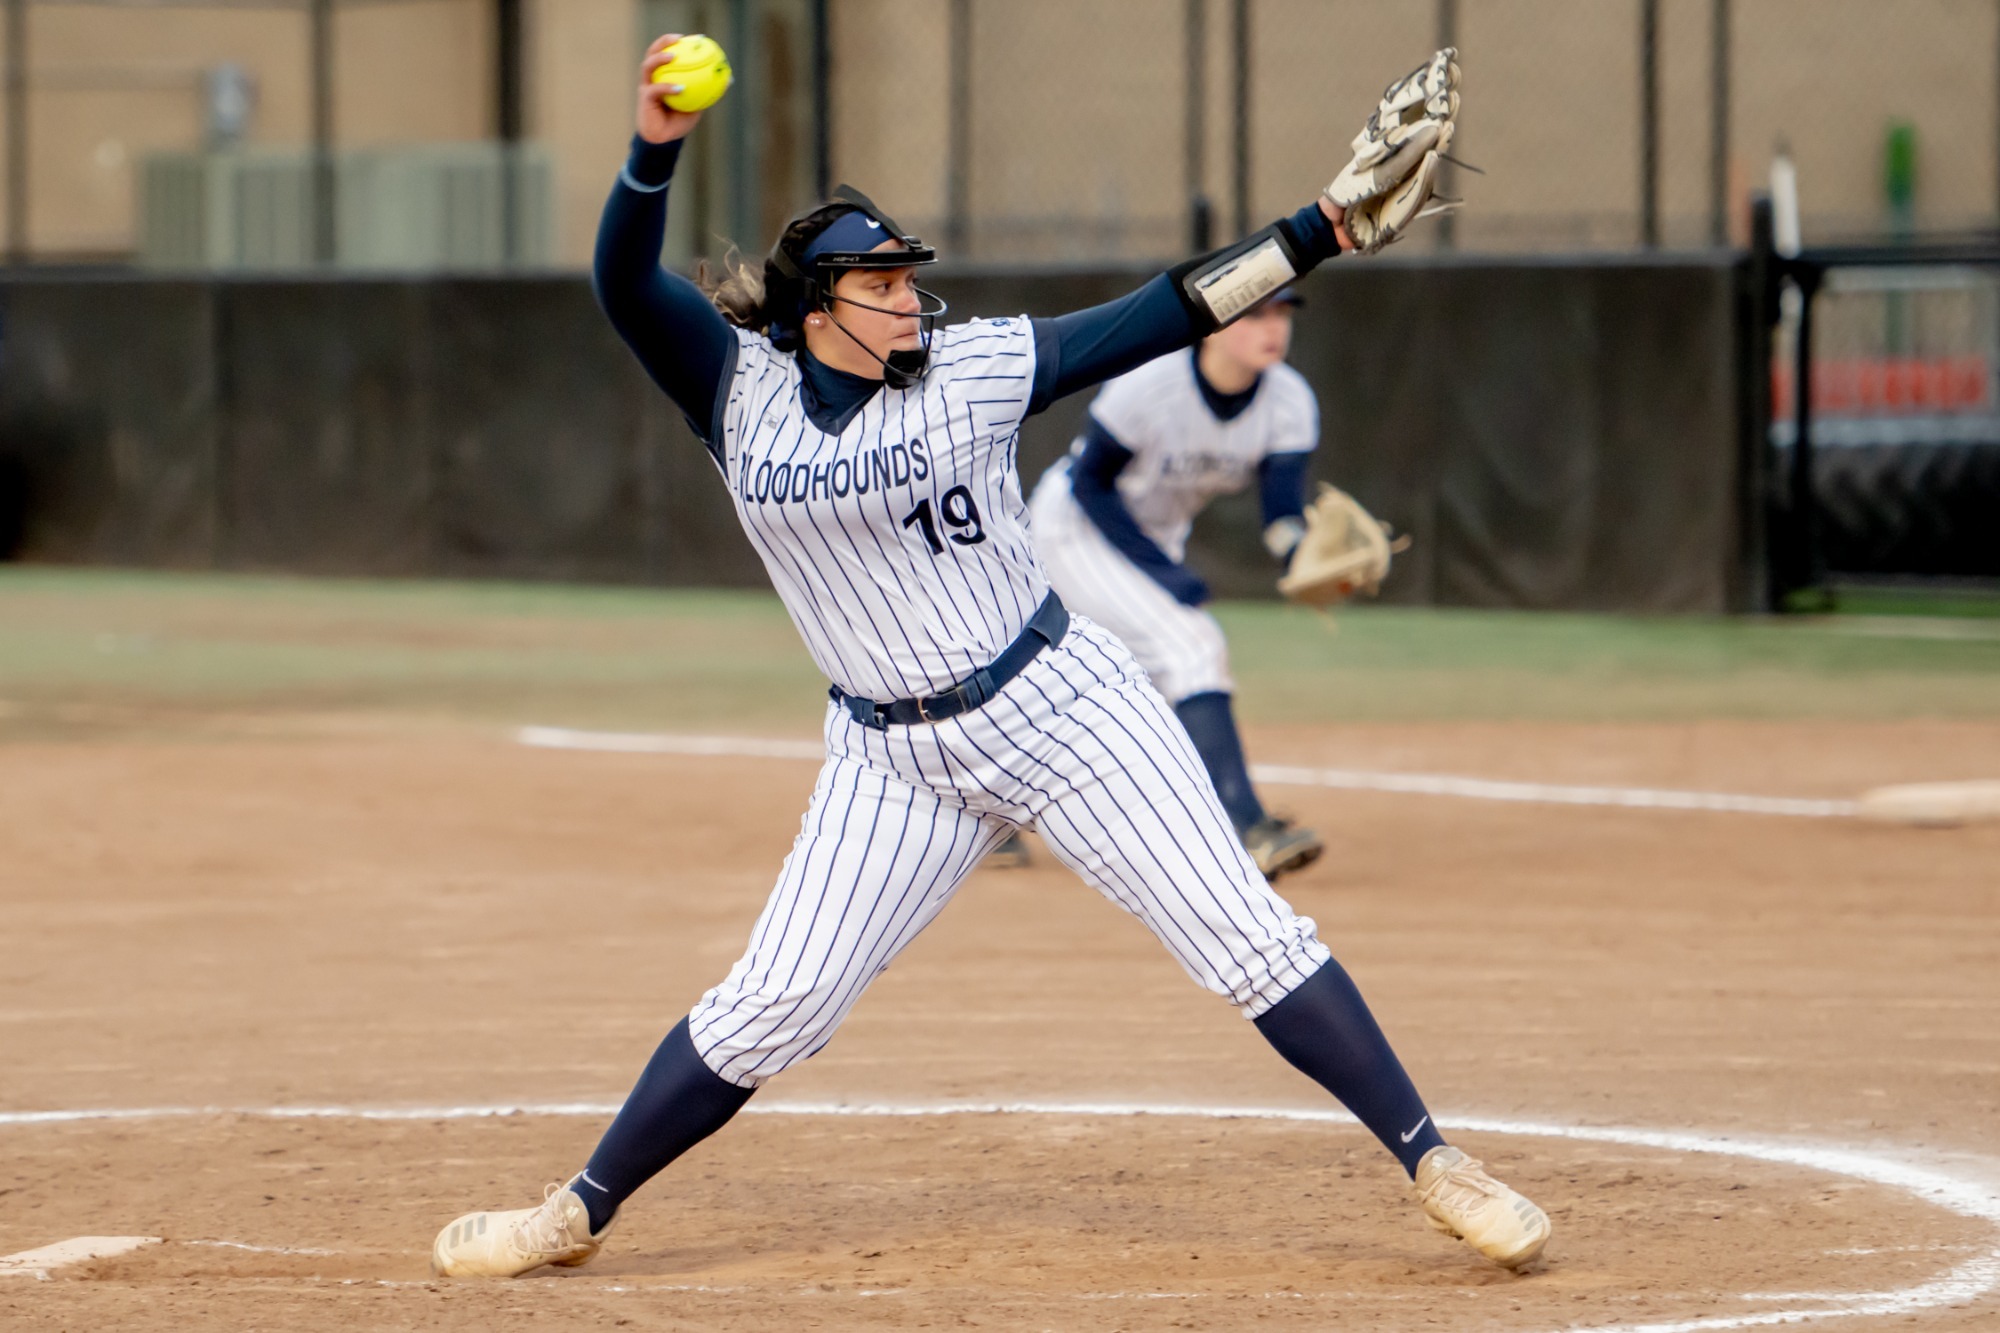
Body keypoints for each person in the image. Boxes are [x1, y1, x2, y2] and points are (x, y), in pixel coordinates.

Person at [429, 34, 1550, 1279]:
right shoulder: (733, 390)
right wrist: (654, 142)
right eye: (881, 283)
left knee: (1243, 933)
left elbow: (1163, 309)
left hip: (1060, 708)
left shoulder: (972, 367)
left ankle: (1436, 1160)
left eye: (910, 277)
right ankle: (573, 1211)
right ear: (817, 311)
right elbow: (622, 282)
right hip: (886, 758)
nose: (909, 297)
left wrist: (1320, 228)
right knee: (772, 1003)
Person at [1018, 288, 1324, 880]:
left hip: (1152, 537)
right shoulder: (1152, 383)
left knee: (1117, 682)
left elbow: (1282, 510)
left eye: (1282, 312)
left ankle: (993, 821)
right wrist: (1166, 575)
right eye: (1255, 311)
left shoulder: (1289, 401)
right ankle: (1243, 823)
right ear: (1212, 326)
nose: (1273, 327)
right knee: (1191, 645)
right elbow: (1091, 485)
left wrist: (1300, 558)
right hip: (1074, 528)